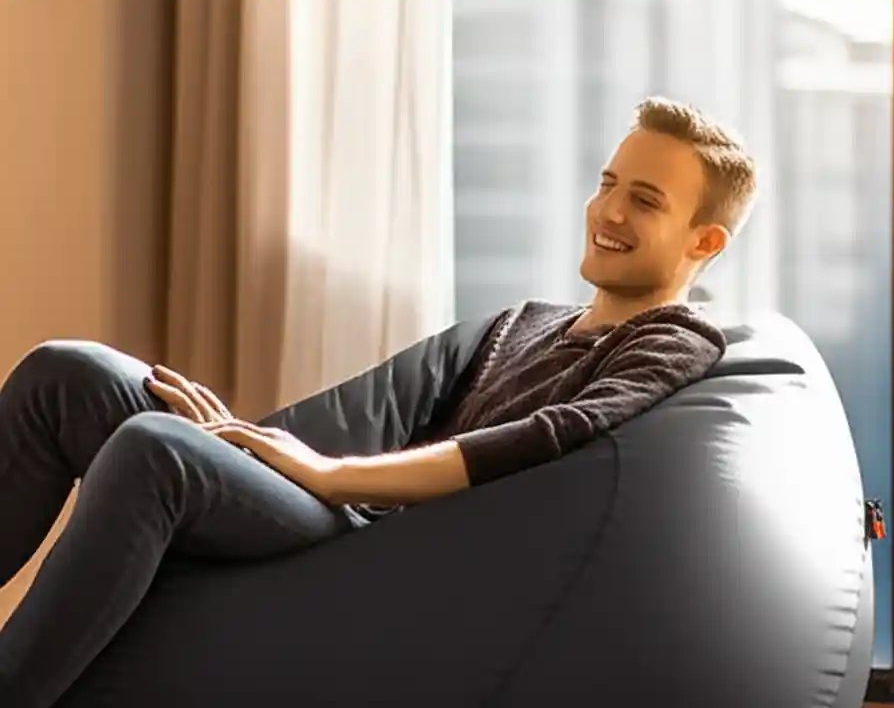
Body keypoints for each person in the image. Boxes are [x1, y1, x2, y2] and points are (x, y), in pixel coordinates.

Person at [0, 96, 758, 707]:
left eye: (646, 201)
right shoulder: (526, 323)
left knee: (153, 452)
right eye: (607, 183)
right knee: (67, 372)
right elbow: (385, 411)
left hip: (380, 542)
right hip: (340, 497)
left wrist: (330, 477)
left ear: (704, 243)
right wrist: (233, 441)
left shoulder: (674, 339)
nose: (609, 213)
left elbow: (549, 435)